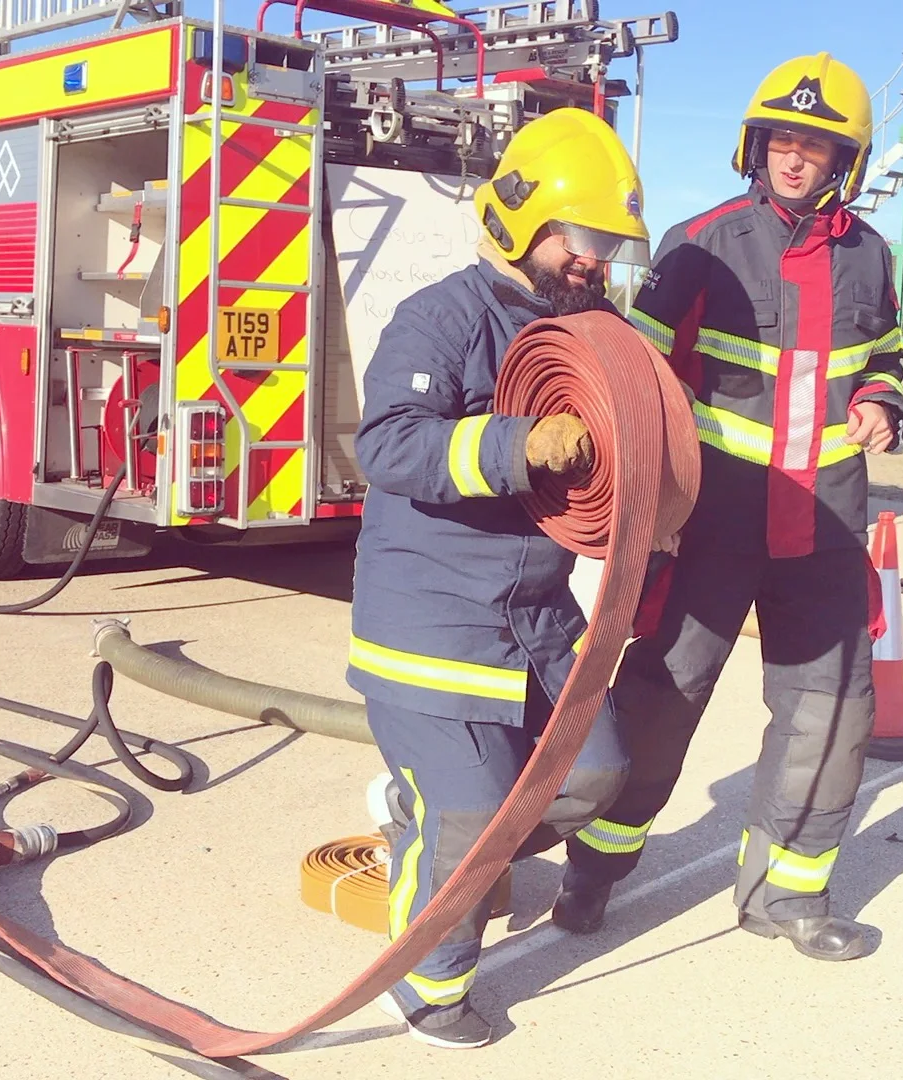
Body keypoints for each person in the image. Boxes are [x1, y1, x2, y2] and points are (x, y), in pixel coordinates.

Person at [550, 53, 903, 962]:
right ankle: (593, 871)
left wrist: (884, 403)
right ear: (755, 146)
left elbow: (889, 358)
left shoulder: (871, 256)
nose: (794, 162)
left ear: (847, 161)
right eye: (781, 143)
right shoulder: (698, 240)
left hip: (826, 531)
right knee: (660, 698)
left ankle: (789, 899)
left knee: (830, 710)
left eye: (815, 148)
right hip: (709, 526)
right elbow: (631, 376)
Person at [346, 106, 653, 1049]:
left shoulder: (594, 327)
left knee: (594, 774)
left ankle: (423, 812)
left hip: (536, 617)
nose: (595, 260)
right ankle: (428, 983)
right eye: (583, 237)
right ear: (523, 222)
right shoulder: (438, 318)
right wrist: (522, 444)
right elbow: (388, 445)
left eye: (608, 244)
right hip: (429, 617)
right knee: (477, 809)